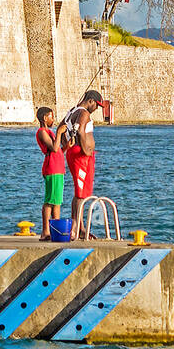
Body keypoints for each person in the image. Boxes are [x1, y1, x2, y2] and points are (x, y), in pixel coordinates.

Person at [58, 89, 103, 239]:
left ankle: (79, 226)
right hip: (81, 156)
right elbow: (82, 132)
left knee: (80, 192)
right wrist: (86, 150)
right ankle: (76, 228)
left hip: (75, 153)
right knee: (82, 192)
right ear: (90, 100)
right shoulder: (84, 113)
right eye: (96, 105)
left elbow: (60, 128)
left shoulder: (73, 111)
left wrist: (66, 144)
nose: (96, 109)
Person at [35, 106, 65, 240]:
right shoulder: (42, 132)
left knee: (57, 200)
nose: (53, 119)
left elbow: (58, 149)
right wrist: (59, 133)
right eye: (51, 117)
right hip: (52, 168)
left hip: (58, 168)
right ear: (44, 118)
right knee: (50, 201)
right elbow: (53, 148)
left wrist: (66, 147)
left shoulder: (49, 132)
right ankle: (45, 231)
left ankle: (55, 230)